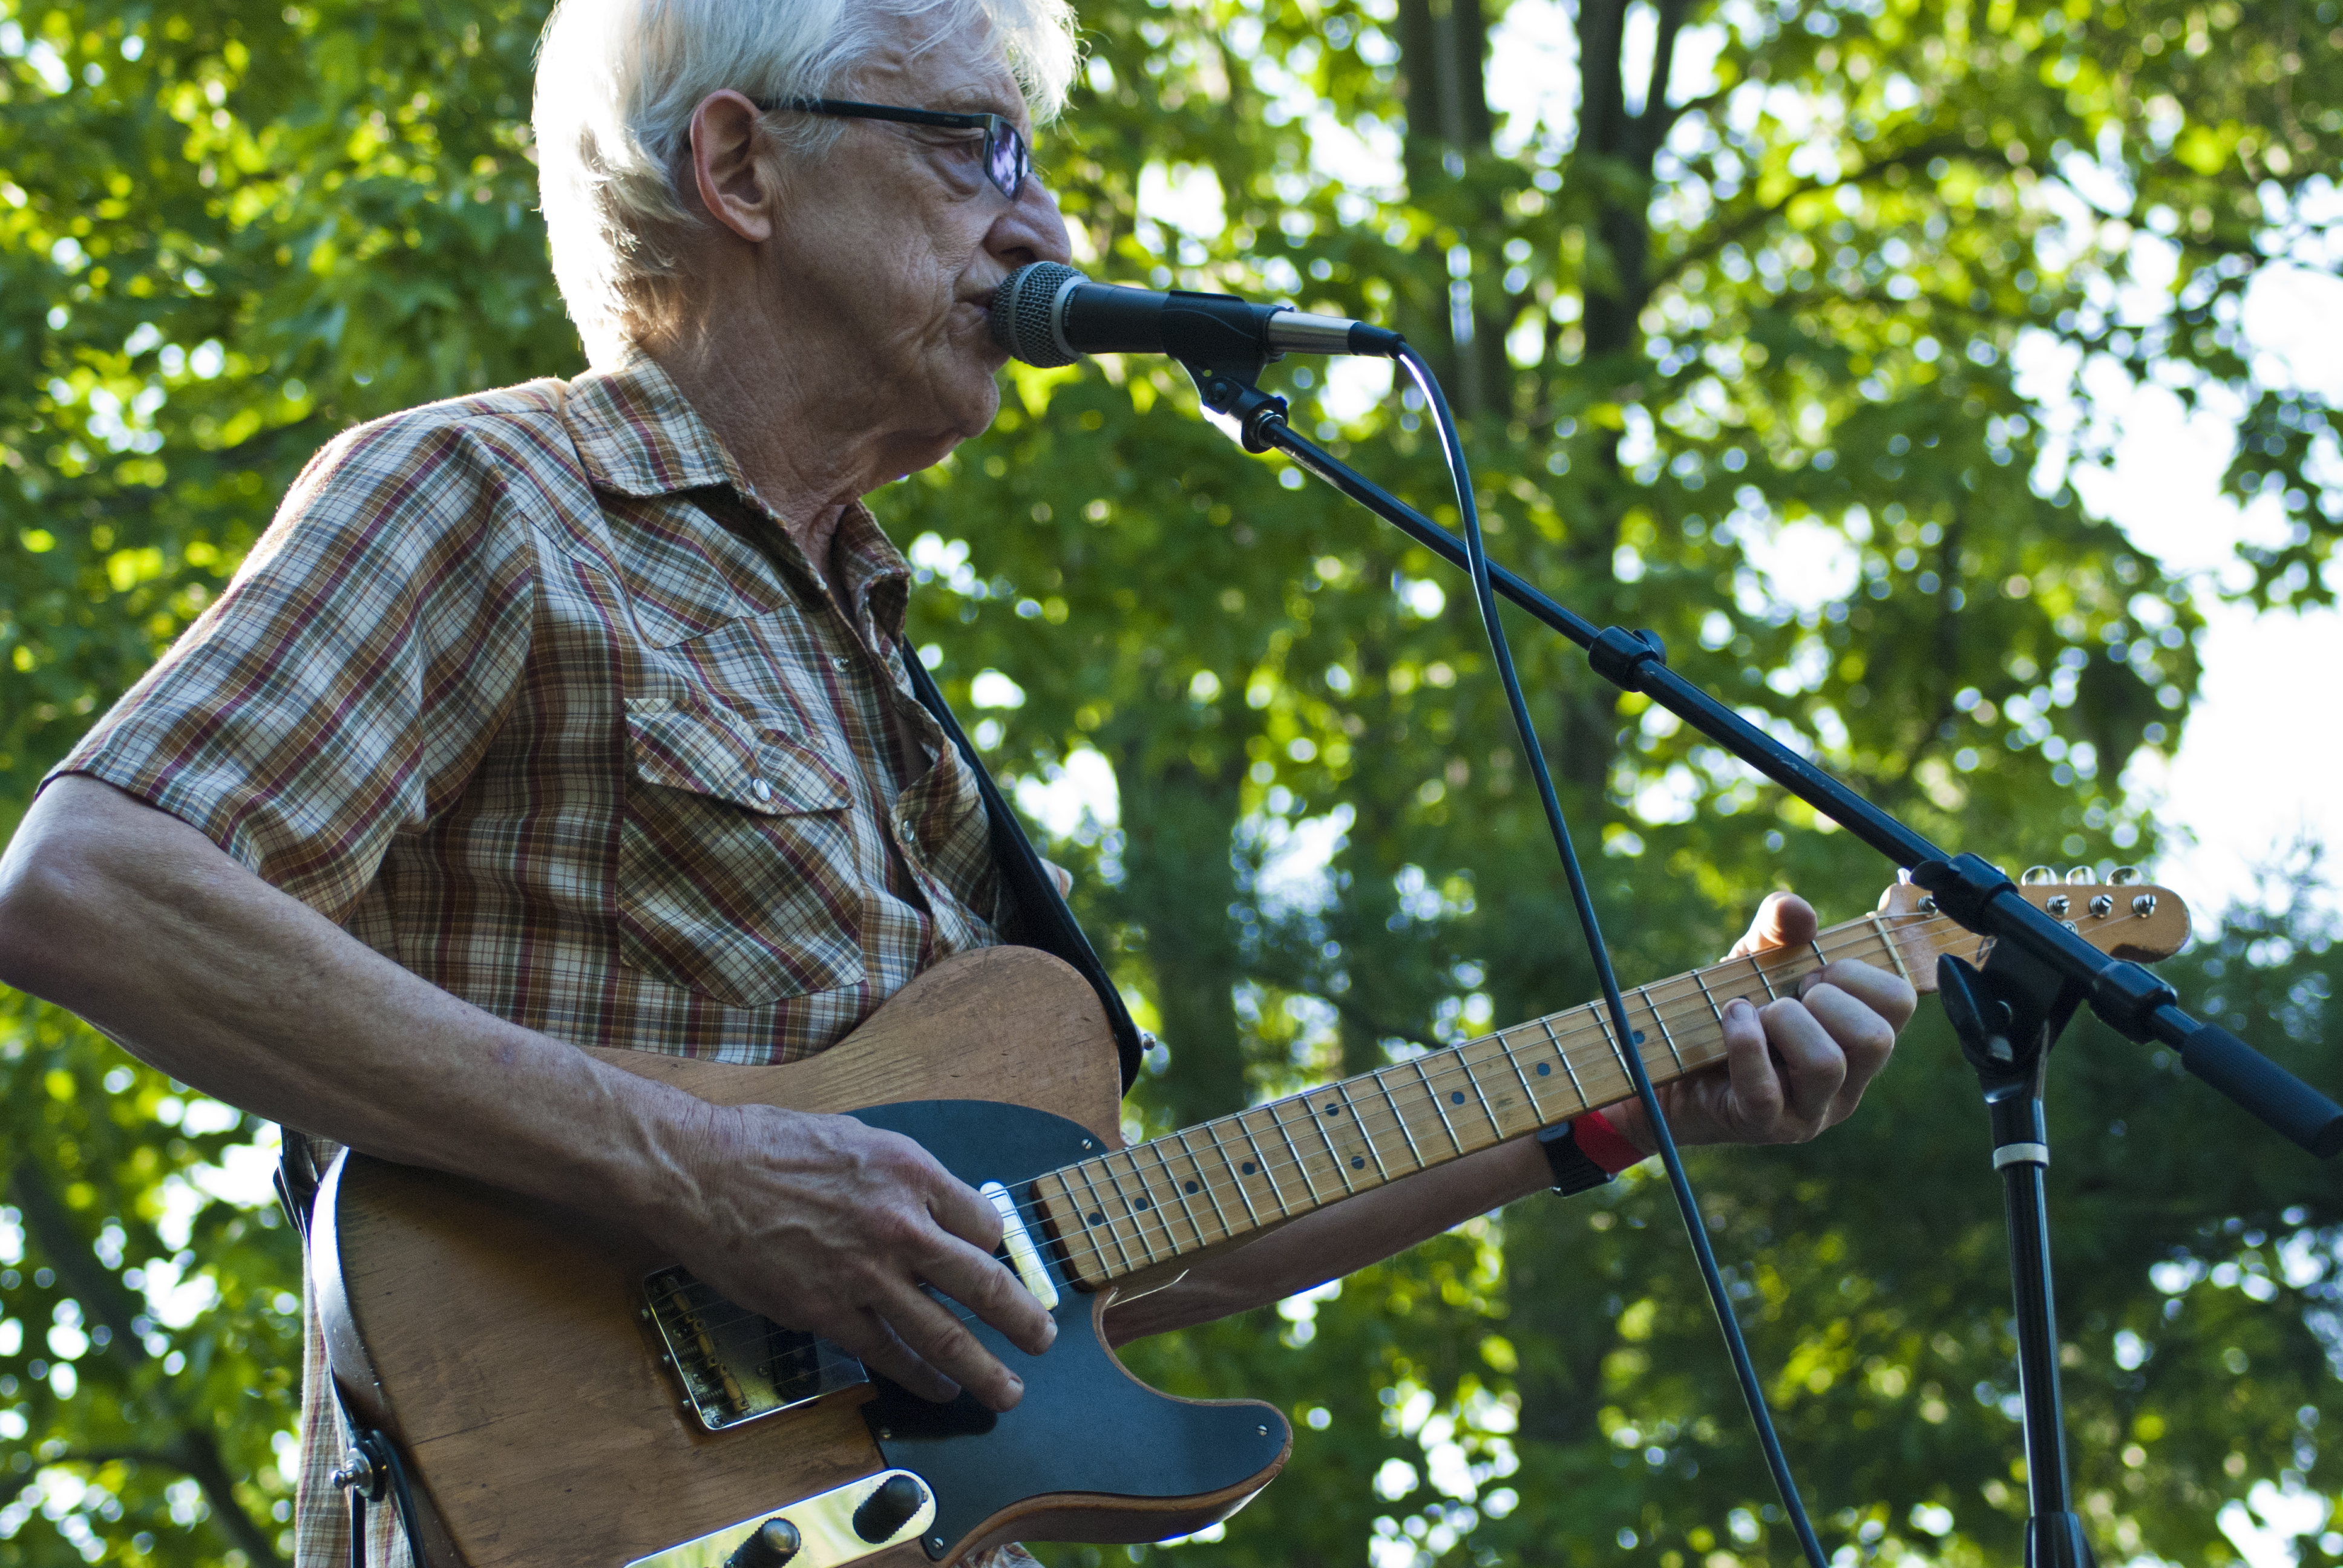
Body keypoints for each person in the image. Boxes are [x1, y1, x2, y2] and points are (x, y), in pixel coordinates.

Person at [0, 1, 1917, 1564]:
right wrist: (703, 1173)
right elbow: (89, 884)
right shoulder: (488, 496)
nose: (1048, 230)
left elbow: (1057, 1268)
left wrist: (1612, 1102)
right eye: (971, 148)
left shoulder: (876, 654)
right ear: (740, 167)